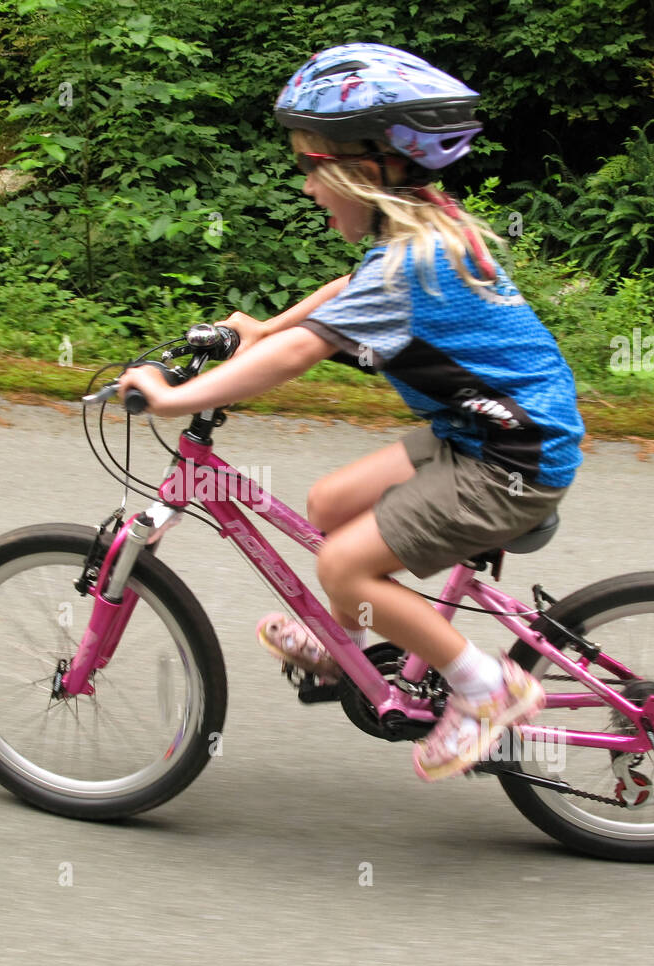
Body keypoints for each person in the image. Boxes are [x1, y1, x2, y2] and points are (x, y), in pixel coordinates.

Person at [117, 43, 585, 781]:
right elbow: (339, 295)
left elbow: (301, 354)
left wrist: (175, 396)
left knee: (342, 565)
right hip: (486, 435)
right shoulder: (419, 232)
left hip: (511, 461)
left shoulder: (409, 265)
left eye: (312, 167)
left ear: (366, 172)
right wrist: (261, 328)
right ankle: (359, 642)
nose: (306, 187)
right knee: (329, 502)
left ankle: (488, 687)